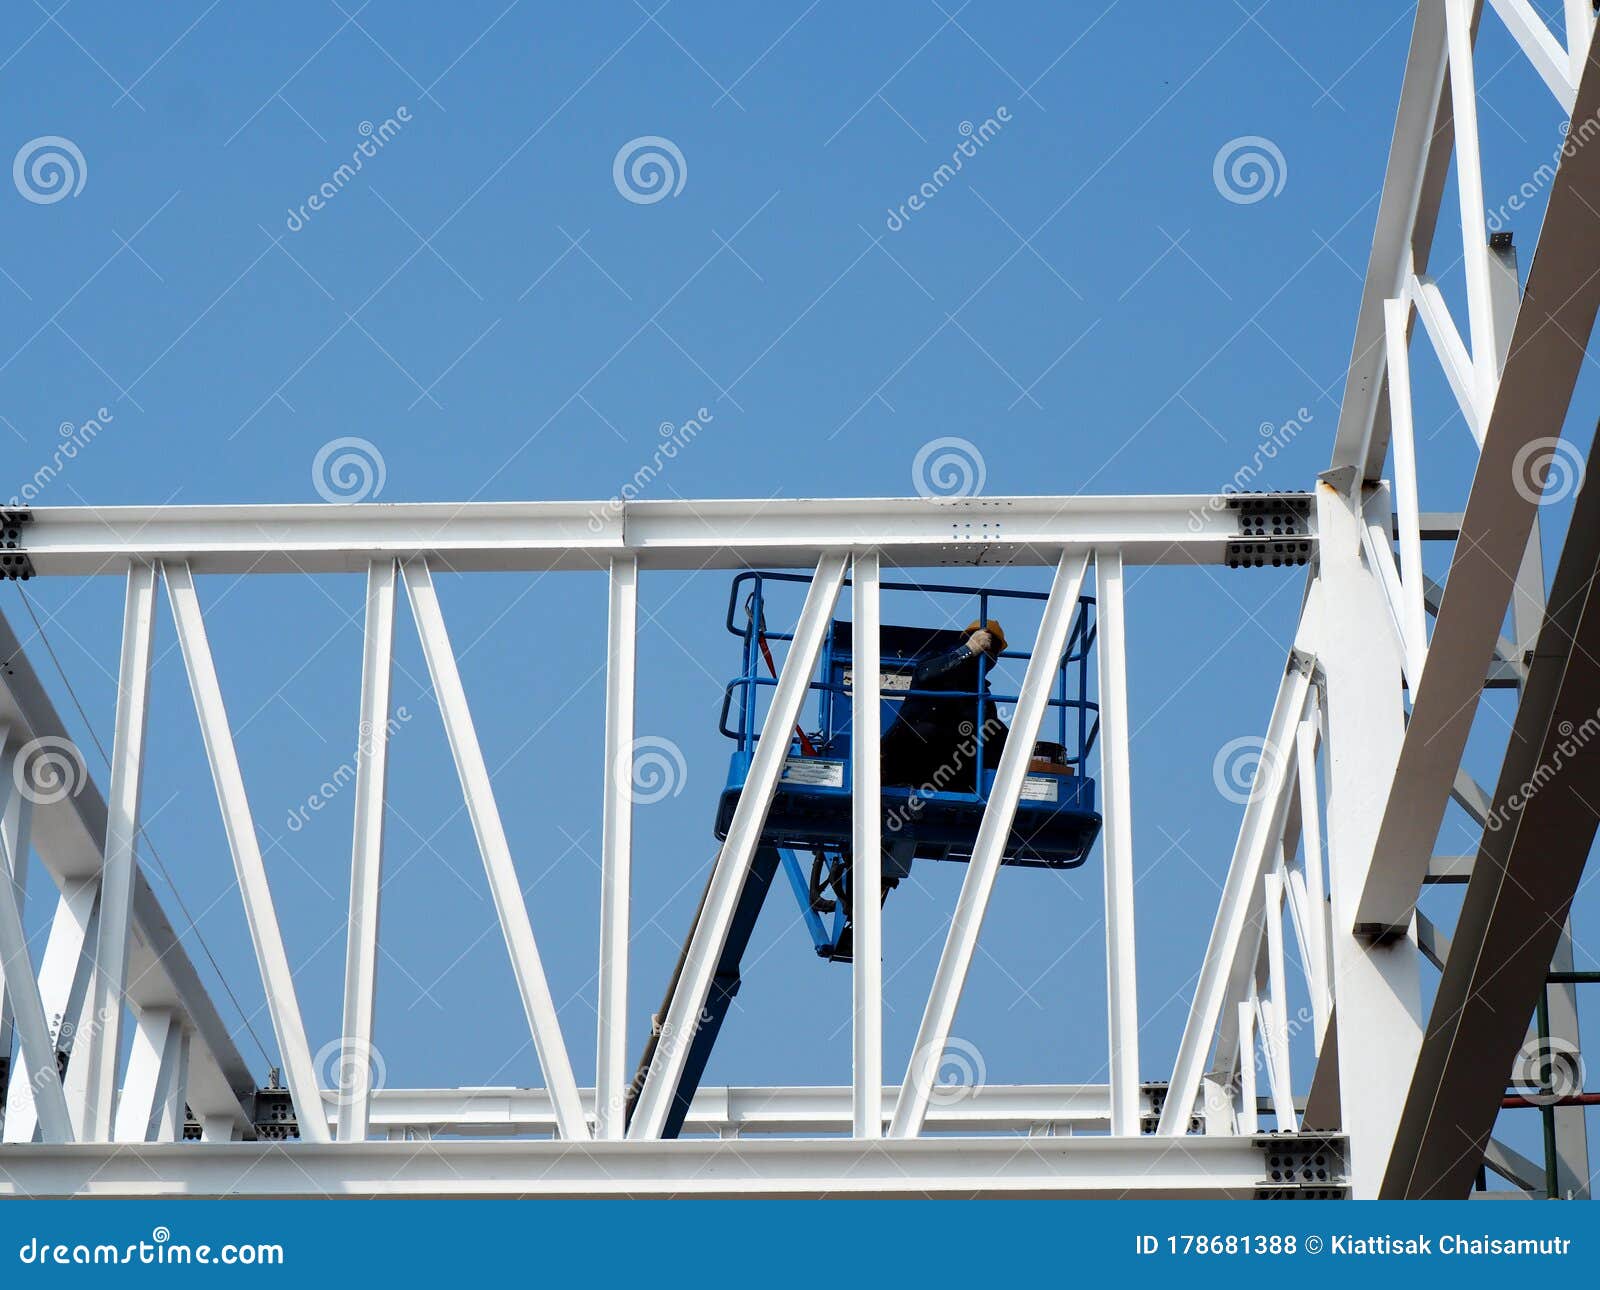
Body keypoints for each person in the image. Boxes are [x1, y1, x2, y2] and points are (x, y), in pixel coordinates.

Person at [879, 619, 1010, 793]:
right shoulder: (936, 659)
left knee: (998, 732)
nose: (987, 652)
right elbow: (926, 674)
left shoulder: (981, 694)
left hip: (948, 771)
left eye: (992, 650)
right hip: (908, 758)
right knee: (925, 730)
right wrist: (967, 650)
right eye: (984, 644)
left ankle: (992, 791)